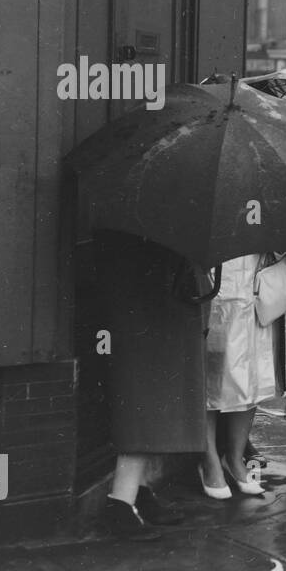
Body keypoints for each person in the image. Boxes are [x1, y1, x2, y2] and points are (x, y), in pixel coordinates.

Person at [94, 229, 215, 540]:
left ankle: (137, 492)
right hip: (151, 302)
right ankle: (120, 504)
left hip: (162, 296)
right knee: (147, 401)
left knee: (152, 401)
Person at [202, 252, 286, 498]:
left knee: (252, 375)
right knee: (212, 375)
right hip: (217, 278)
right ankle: (209, 460)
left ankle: (235, 456)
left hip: (255, 280)